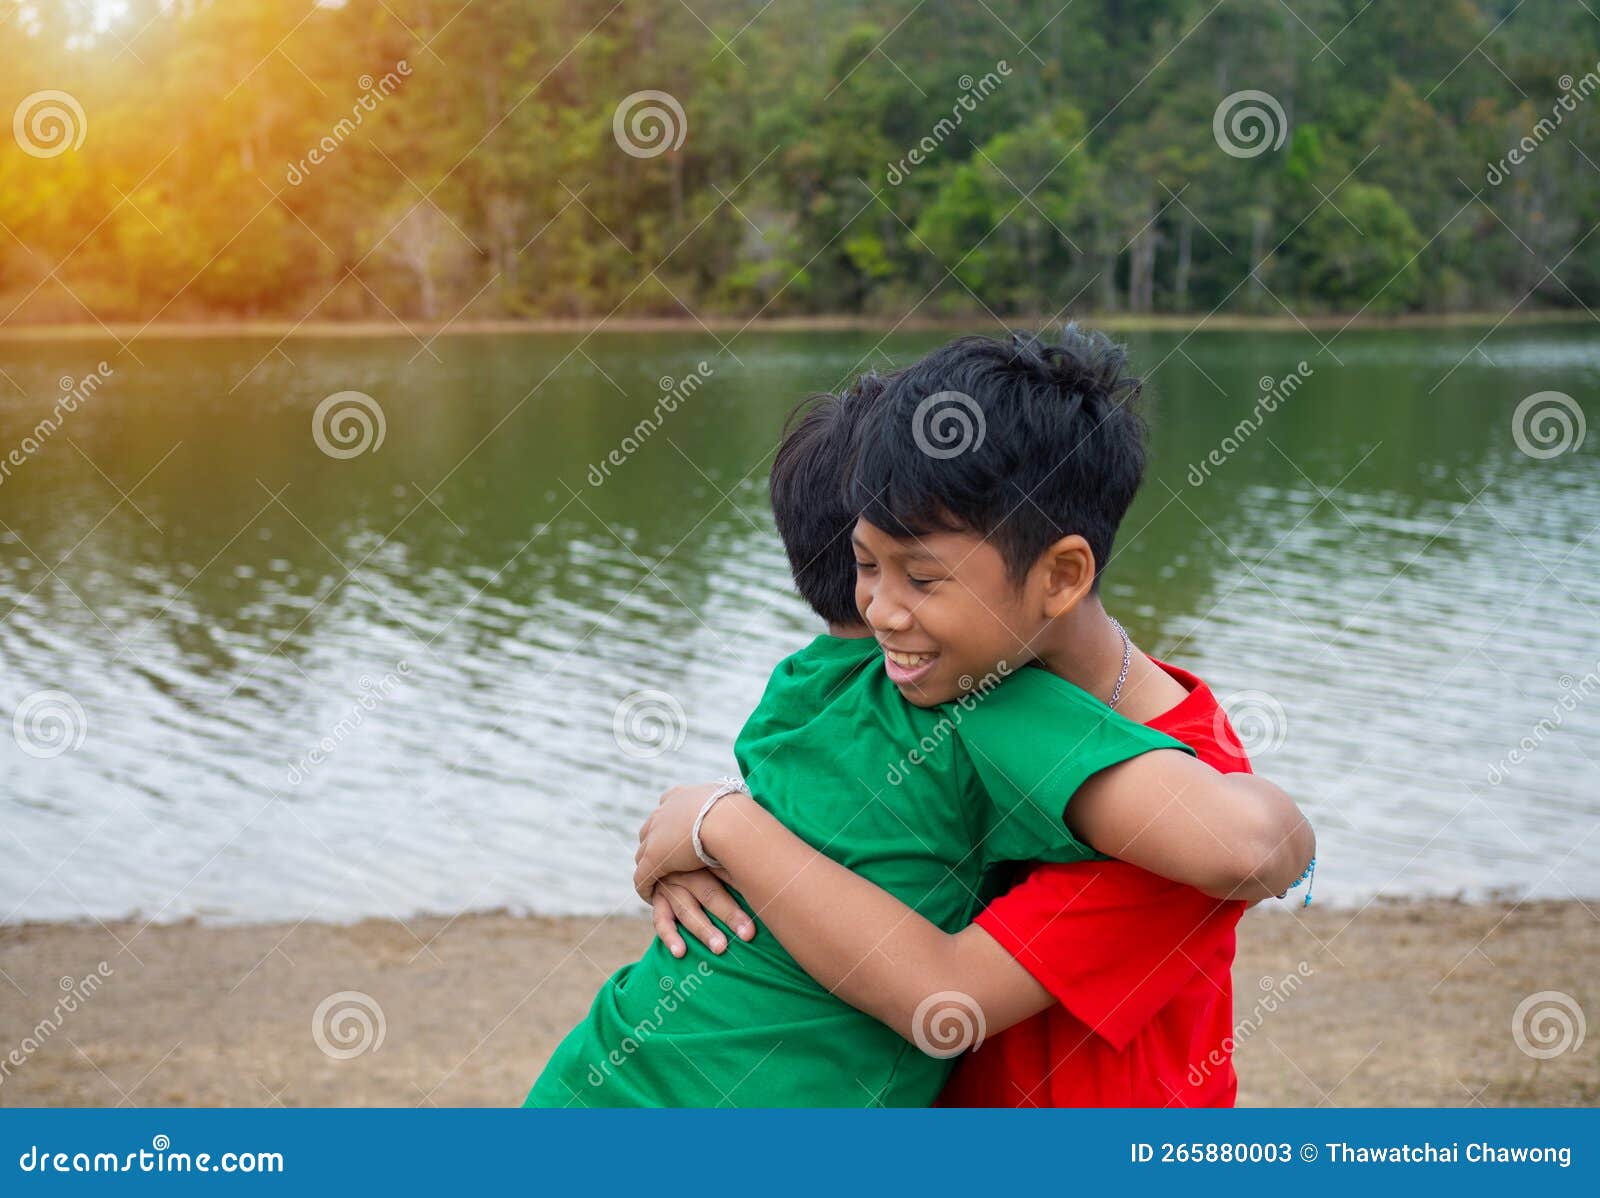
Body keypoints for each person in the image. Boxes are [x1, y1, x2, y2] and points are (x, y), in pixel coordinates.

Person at [529, 330, 1312, 1108]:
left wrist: (723, 828)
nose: (880, 613)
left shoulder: (1160, 799)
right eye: (867, 565)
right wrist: (713, 843)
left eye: (924, 578)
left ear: (1061, 576)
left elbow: (946, 999)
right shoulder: (947, 689)